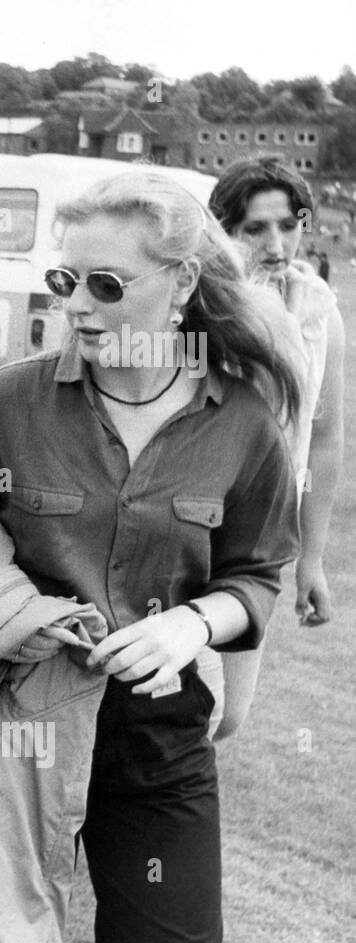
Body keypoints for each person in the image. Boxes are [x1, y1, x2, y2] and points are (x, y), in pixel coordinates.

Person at [0, 170, 300, 943]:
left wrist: (188, 624)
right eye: (65, 281)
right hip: (21, 729)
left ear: (183, 282)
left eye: (105, 284)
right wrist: (9, 612)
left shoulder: (243, 424)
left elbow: (257, 577)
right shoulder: (6, 403)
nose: (76, 305)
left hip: (158, 740)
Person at [205, 157, 345, 739]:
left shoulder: (318, 311)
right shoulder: (199, 311)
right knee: (180, 710)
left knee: (227, 717)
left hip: (258, 543)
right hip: (184, 528)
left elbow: (327, 436)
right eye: (255, 229)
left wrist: (311, 558)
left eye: (289, 226)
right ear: (222, 235)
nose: (276, 244)